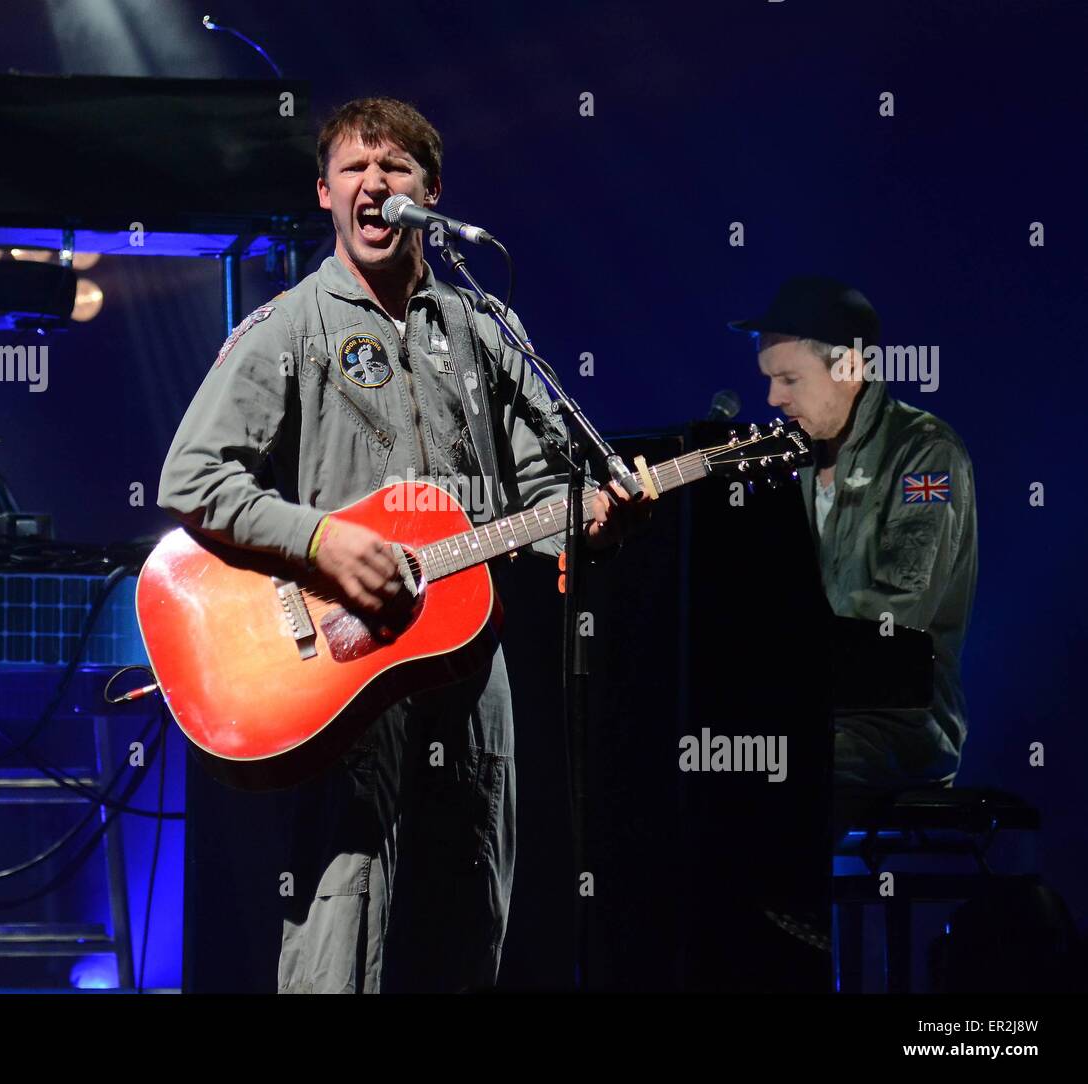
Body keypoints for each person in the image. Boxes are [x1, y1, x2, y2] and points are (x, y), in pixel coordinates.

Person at [157, 97, 648, 992]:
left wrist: (591, 522)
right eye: (354, 169)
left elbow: (545, 491)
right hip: (345, 658)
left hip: (469, 653)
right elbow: (193, 481)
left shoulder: (486, 328)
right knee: (345, 908)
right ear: (324, 193)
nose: (374, 185)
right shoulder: (287, 329)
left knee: (473, 898)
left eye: (396, 169)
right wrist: (322, 542)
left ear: (432, 193)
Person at [730, 276, 978, 804]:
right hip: (802, 708)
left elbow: (893, 616)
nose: (773, 398)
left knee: (765, 772)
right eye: (769, 380)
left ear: (850, 367)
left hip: (901, 724)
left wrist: (774, 667)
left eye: (790, 380)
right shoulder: (786, 460)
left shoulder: (926, 453)